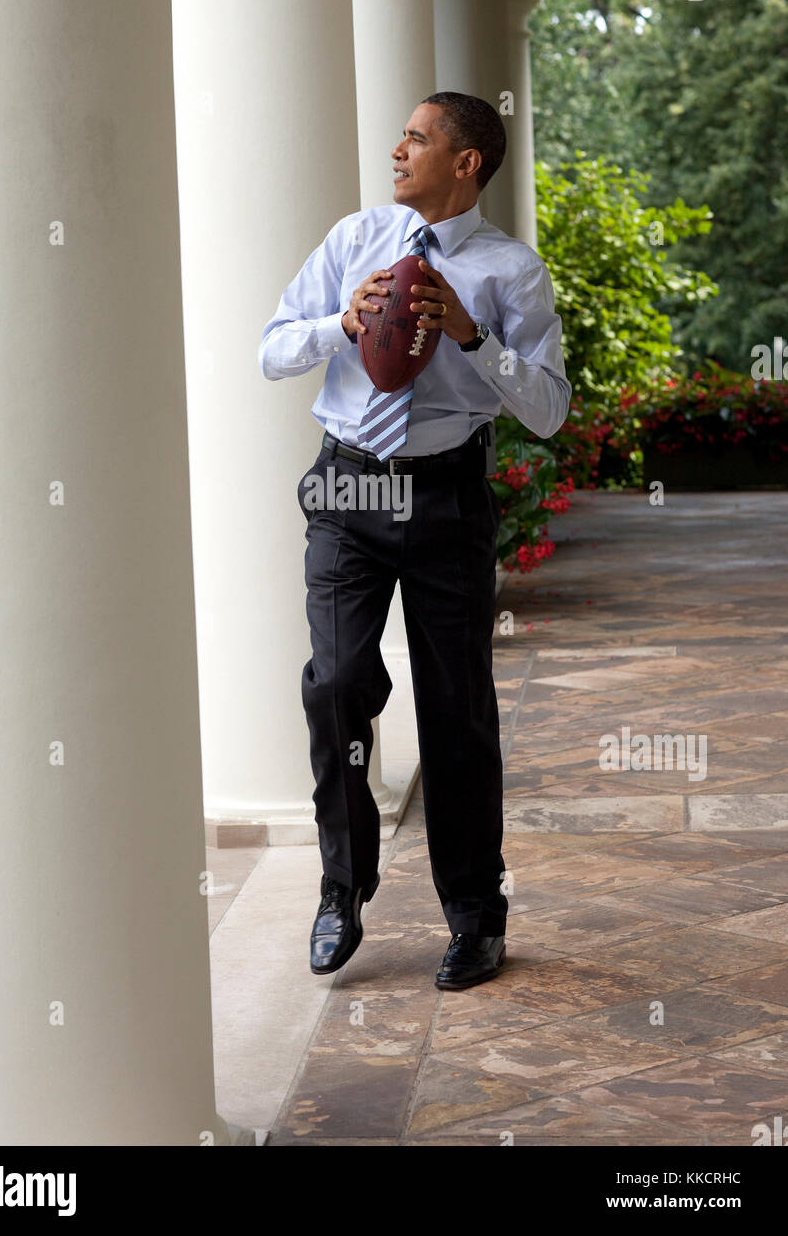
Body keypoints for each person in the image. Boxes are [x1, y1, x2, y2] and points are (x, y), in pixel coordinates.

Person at [258, 92, 571, 989]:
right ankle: (340, 888)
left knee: (457, 709)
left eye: (418, 138)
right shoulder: (354, 240)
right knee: (340, 682)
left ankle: (476, 917)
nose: (398, 149)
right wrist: (340, 325)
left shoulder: (511, 273)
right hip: (349, 483)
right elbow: (272, 349)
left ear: (466, 162)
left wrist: (474, 338)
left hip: (445, 497)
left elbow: (548, 412)